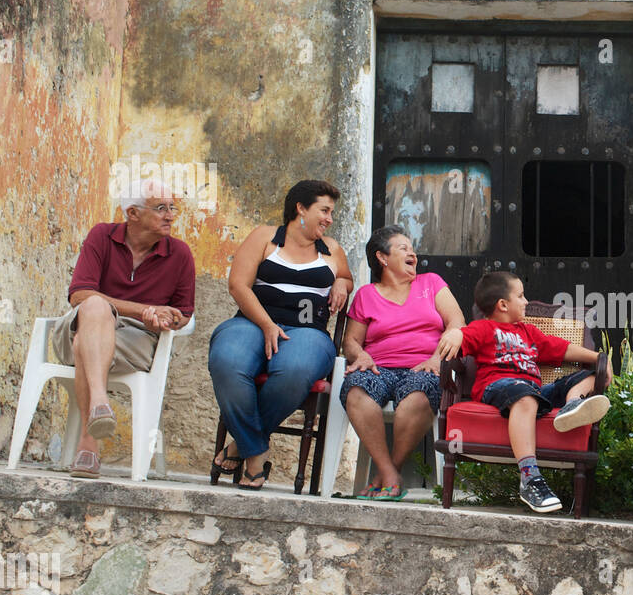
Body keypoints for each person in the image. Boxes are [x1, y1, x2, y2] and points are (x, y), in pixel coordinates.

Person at [208, 180, 354, 489]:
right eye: (324, 210)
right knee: (227, 360)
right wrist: (265, 324)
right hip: (252, 323)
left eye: (332, 212)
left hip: (308, 332)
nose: (329, 219)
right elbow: (238, 285)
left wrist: (342, 282)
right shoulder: (265, 237)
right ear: (301, 208)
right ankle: (256, 452)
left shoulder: (332, 248)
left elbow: (344, 275)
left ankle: (243, 446)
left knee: (295, 370)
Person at [53, 178, 195, 478]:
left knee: (86, 344)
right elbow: (79, 295)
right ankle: (101, 401)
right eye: (160, 208)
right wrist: (143, 309)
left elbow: (183, 314)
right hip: (81, 326)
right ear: (132, 213)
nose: (170, 215)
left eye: (172, 208)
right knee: (93, 308)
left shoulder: (180, 254)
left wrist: (165, 319)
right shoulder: (101, 236)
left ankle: (88, 445)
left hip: (135, 341)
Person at [438, 271, 610, 514]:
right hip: (499, 386)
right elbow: (464, 336)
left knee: (587, 376)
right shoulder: (484, 328)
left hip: (534, 390)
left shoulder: (528, 332)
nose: (526, 301)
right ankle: (529, 478)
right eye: (520, 295)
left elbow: (560, 348)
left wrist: (599, 358)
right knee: (525, 395)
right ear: (503, 305)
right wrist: (455, 332)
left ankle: (572, 405)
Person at [340, 225, 465, 500]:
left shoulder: (431, 283)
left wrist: (437, 358)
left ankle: (387, 472)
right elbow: (350, 341)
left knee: (420, 393)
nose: (413, 253)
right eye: (403, 248)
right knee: (356, 389)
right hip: (379, 368)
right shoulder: (366, 295)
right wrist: (360, 355)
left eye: (412, 248)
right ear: (382, 258)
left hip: (424, 367)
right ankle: (389, 472)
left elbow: (456, 323)